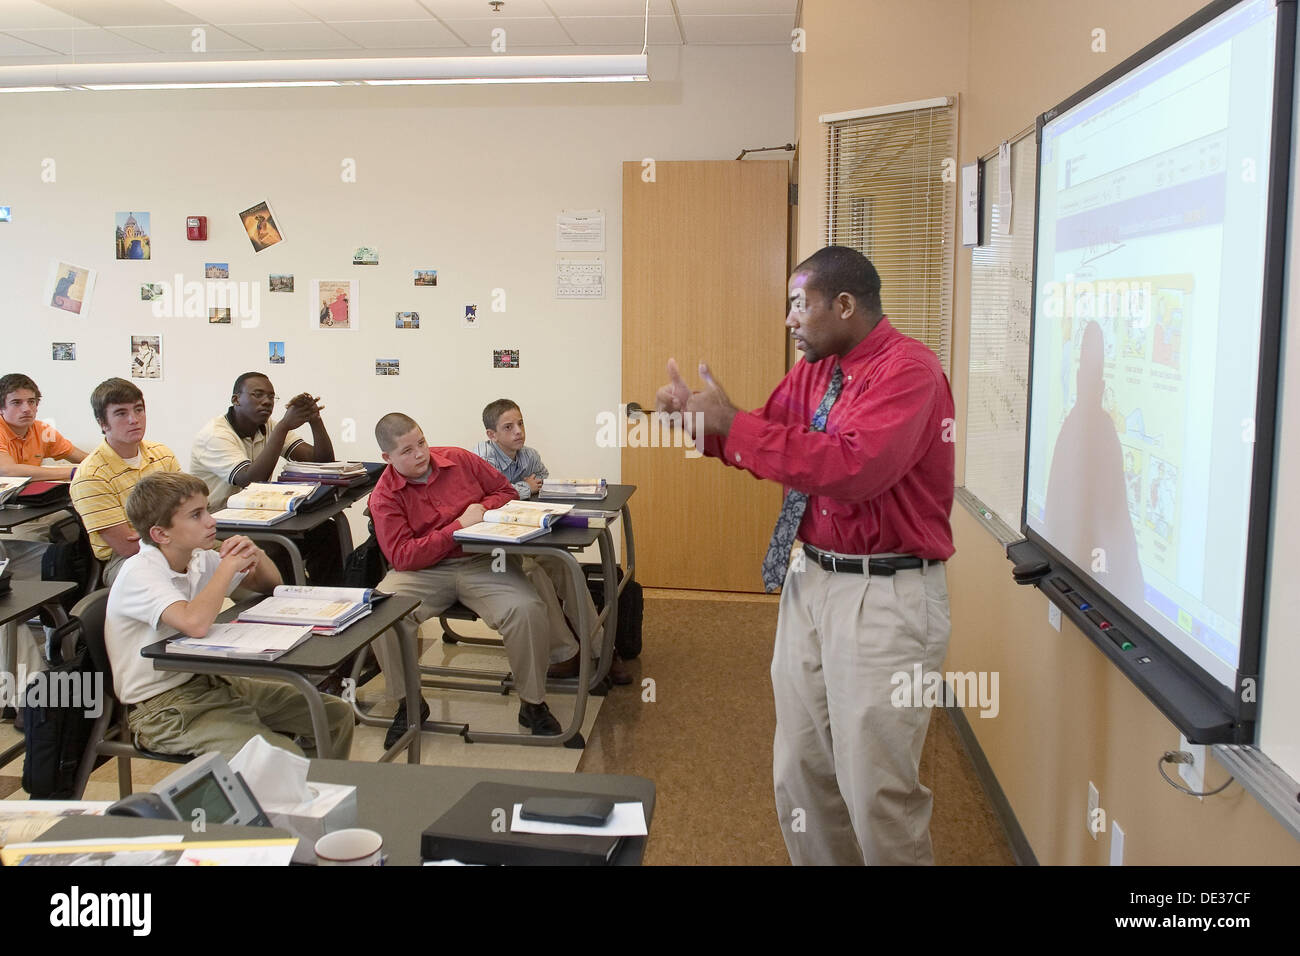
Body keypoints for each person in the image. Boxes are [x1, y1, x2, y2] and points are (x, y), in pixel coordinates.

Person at [655, 245, 956, 865]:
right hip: (810, 578)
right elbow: (769, 441)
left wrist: (734, 424)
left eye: (800, 304)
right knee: (801, 772)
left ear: (844, 305)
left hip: (883, 596)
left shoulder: (909, 373)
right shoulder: (817, 368)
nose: (790, 319)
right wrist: (700, 425)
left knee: (876, 789)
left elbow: (851, 468)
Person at [368, 413, 583, 749]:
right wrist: (457, 528)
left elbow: (505, 491)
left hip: (483, 561)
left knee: (525, 609)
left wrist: (479, 508)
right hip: (422, 571)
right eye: (407, 451)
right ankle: (408, 703)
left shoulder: (458, 459)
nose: (420, 454)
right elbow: (404, 557)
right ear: (388, 458)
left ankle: (533, 703)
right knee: (382, 613)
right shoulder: (383, 496)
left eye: (421, 442)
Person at [105, 472, 353, 760]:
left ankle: (315, 792)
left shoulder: (196, 557)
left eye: (207, 510)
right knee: (280, 756)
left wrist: (255, 555)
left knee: (334, 715)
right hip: (163, 708)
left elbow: (271, 586)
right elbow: (194, 623)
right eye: (196, 515)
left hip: (210, 682)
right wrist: (226, 569)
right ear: (161, 534)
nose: (211, 521)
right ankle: (294, 790)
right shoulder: (141, 572)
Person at [472, 398, 628, 685]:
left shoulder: (528, 455)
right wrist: (523, 488)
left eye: (520, 423)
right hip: (494, 547)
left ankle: (602, 649)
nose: (518, 431)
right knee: (533, 573)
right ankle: (566, 654)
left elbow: (542, 485)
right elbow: (484, 503)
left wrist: (522, 491)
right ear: (491, 435)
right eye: (508, 427)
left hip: (526, 535)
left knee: (566, 568)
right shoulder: (481, 458)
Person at [189, 372, 342, 586]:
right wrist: (283, 427)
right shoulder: (215, 435)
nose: (267, 401)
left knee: (326, 532)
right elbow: (250, 480)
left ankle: (329, 600)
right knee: (277, 549)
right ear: (236, 400)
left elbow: (322, 462)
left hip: (256, 514)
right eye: (257, 395)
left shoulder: (269, 426)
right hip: (219, 521)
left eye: (271, 396)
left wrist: (314, 420)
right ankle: (292, 603)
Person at [0, 373, 90, 699]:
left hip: (35, 513)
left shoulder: (42, 430)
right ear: (2, 408)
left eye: (32, 402)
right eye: (17, 403)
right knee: (49, 556)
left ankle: (69, 629)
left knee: (78, 539)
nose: (27, 409)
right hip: (13, 524)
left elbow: (83, 458)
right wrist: (69, 473)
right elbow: (9, 471)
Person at [70, 378, 181, 587]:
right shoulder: (90, 475)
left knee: (243, 552)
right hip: (126, 561)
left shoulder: (162, 454)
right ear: (103, 423)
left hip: (174, 543)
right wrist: (184, 534)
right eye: (121, 413)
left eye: (138, 410)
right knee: (170, 576)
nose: (134, 419)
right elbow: (127, 546)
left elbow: (187, 510)